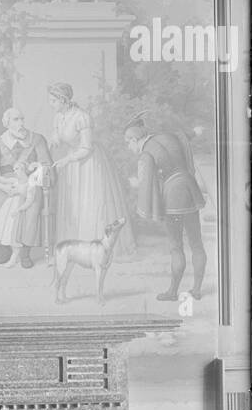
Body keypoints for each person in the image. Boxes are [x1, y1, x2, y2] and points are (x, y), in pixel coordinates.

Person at [48, 82, 135, 256]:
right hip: (71, 164)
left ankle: (94, 248)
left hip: (88, 163)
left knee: (89, 202)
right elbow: (57, 134)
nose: (51, 104)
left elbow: (86, 148)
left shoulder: (82, 117)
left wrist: (67, 160)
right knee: (73, 204)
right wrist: (54, 138)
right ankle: (74, 246)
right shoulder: (58, 116)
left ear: (63, 100)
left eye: (53, 101)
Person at [124, 121, 207, 301]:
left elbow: (145, 184)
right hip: (190, 188)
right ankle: (197, 290)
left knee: (176, 246)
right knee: (196, 243)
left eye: (128, 142)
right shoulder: (168, 136)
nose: (128, 147)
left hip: (174, 196)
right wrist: (195, 131)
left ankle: (172, 292)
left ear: (135, 139)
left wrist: (136, 184)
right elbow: (184, 136)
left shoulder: (146, 154)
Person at [0, 107, 54, 268]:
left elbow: (47, 164)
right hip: (5, 182)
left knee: (31, 204)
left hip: (30, 181)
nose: (21, 123)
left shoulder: (37, 139)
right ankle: (3, 246)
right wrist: (3, 186)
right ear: (6, 123)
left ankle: (25, 251)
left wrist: (35, 176)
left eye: (22, 119)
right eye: (16, 119)